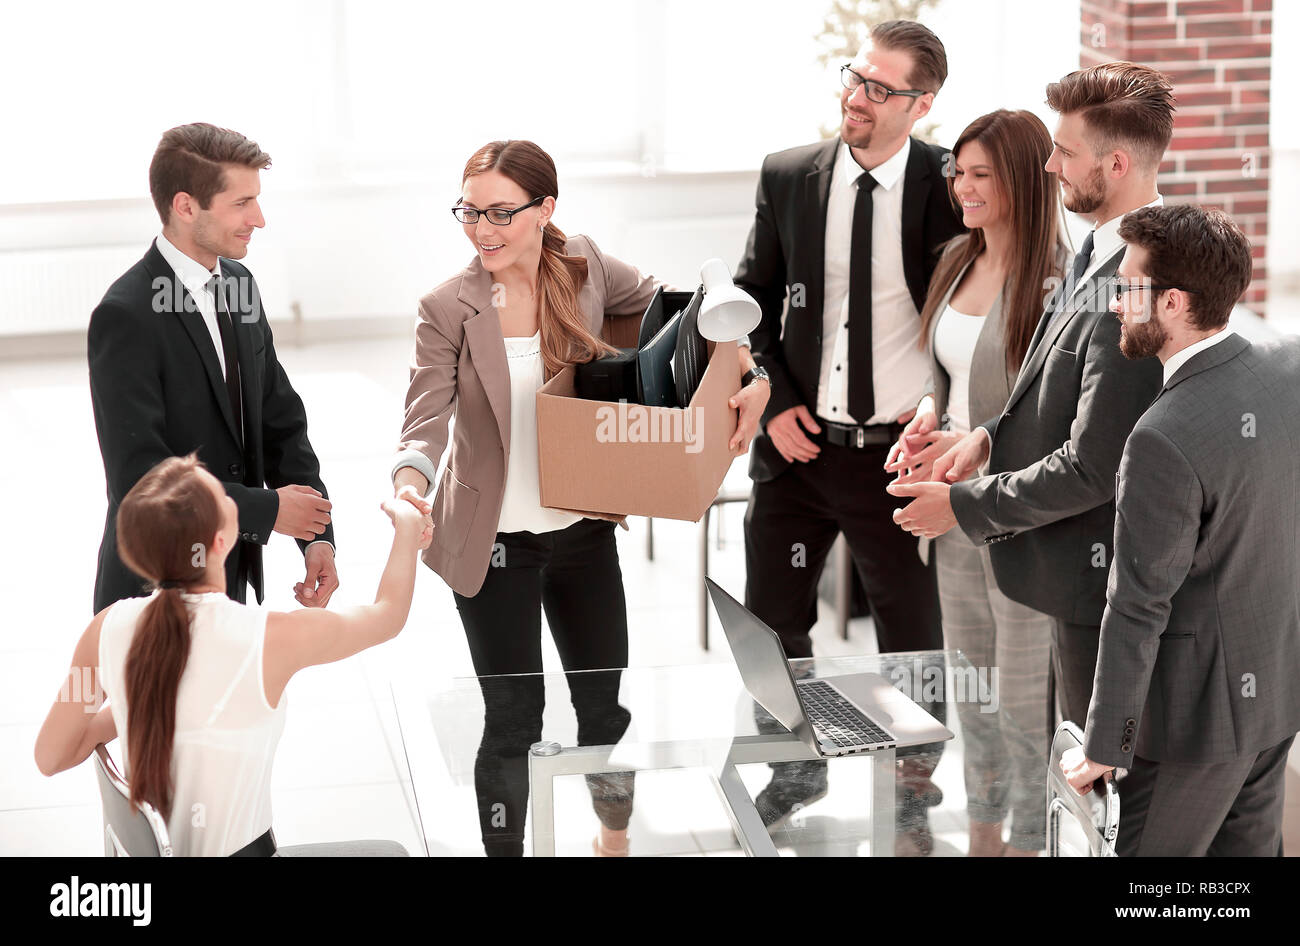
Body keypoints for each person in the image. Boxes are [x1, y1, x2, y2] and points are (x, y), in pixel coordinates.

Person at [391, 139, 769, 857]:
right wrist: (410, 491)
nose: (482, 228)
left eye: (501, 211)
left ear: (546, 209)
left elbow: (682, 315)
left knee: (601, 707)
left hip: (583, 536)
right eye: (469, 211)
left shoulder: (586, 265)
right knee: (512, 718)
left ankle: (613, 839)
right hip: (493, 545)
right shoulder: (447, 307)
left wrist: (752, 375)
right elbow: (424, 421)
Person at [734, 19, 963, 844]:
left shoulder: (949, 187)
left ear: (921, 104)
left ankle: (914, 776)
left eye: (877, 88)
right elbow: (752, 301)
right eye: (852, 77)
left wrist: (948, 412)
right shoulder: (791, 175)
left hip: (892, 456)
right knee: (770, 613)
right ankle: (796, 759)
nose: (854, 97)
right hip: (798, 447)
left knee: (908, 625)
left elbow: (975, 318)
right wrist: (776, 395)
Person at [888, 61, 1171, 730]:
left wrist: (962, 499)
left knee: (1062, 765)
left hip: (1078, 569)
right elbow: (1045, 393)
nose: (1051, 167)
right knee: (1008, 728)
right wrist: (984, 436)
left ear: (1119, 163)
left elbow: (1093, 464)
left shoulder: (1138, 278)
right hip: (1034, 542)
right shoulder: (1096, 255)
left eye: (1065, 153)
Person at [35, 454, 428, 856]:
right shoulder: (270, 638)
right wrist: (408, 525)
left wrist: (138, 706)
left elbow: (51, 756)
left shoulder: (103, 631)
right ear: (221, 542)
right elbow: (388, 615)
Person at [1063, 205, 1300, 856]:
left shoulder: (1162, 437)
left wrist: (1106, 744)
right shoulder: (1289, 370)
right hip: (1275, 698)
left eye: (1128, 288)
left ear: (1172, 302)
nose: (1114, 305)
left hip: (1193, 728)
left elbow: (1137, 604)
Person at [886, 110, 1067, 856]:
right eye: (957, 171)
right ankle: (985, 838)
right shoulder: (958, 259)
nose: (962, 185)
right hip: (952, 511)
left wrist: (967, 448)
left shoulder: (1056, 281)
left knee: (1027, 707)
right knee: (973, 695)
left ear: (1023, 179)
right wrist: (925, 417)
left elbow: (1053, 426)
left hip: (1019, 521)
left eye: (981, 173)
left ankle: (1030, 842)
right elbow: (945, 371)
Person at [89, 123, 337, 613]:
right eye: (242, 203)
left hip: (228, 580)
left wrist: (317, 537)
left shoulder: (240, 284)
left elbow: (279, 416)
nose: (259, 219)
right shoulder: (127, 314)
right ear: (185, 206)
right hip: (155, 589)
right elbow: (140, 479)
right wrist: (266, 511)